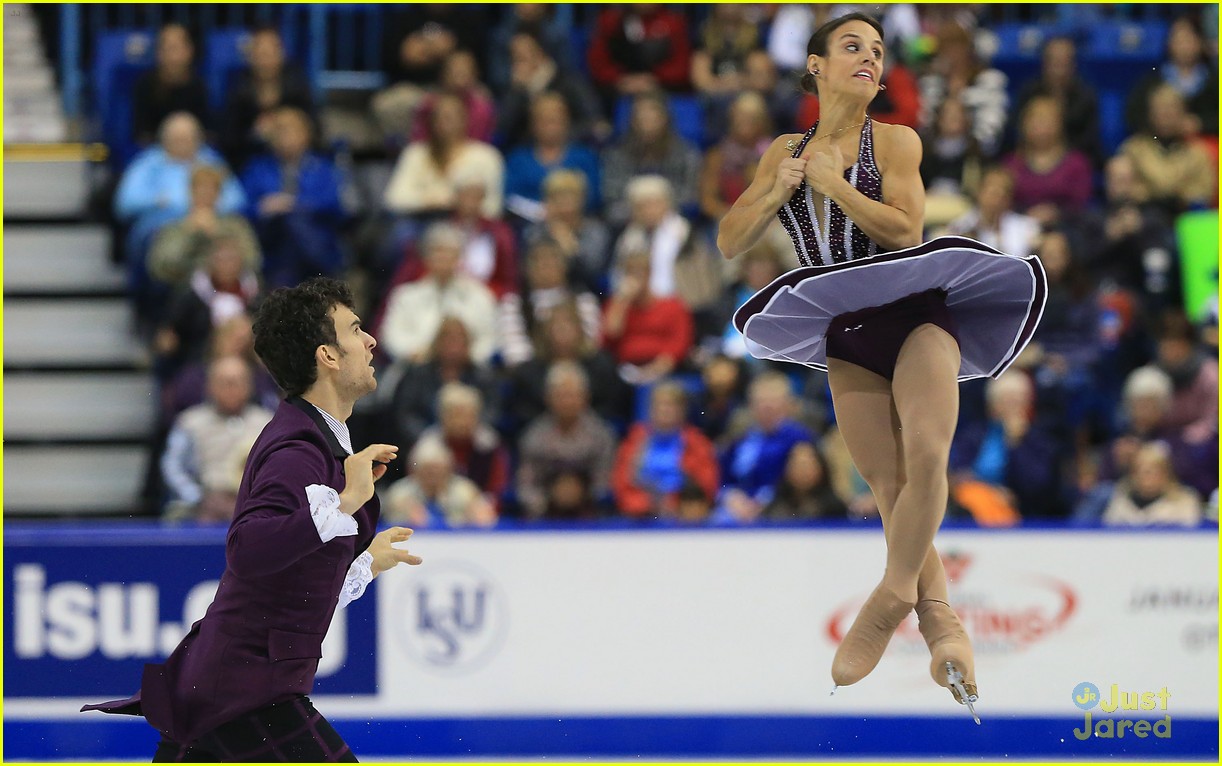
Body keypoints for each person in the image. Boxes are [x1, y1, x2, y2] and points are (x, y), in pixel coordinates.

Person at [717, 13, 1047, 717]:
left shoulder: (895, 139)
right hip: (846, 329)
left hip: (916, 311)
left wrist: (833, 186)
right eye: (851, 47)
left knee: (927, 455)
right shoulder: (783, 148)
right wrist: (780, 186)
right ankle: (942, 626)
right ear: (814, 66)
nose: (869, 58)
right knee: (887, 484)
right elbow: (729, 239)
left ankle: (894, 596)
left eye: (877, 50)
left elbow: (905, 229)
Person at [83, 277, 423, 761]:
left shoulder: (317, 439)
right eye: (355, 329)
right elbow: (249, 549)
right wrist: (346, 502)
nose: (371, 340)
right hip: (244, 696)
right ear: (327, 355)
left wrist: (364, 562)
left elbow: (291, 576)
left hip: (236, 690)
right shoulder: (296, 449)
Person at [160, 356, 274, 522]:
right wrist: (197, 497)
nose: (231, 389)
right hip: (204, 505)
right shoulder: (190, 422)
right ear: (210, 386)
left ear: (250, 386)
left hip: (257, 503)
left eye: (237, 381)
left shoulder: (267, 422)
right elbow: (172, 466)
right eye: (224, 382)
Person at [131, 24, 209, 146]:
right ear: (158, 53)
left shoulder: (199, 86)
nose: (171, 55)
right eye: (166, 48)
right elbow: (141, 133)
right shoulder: (145, 86)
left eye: (176, 48)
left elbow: (207, 131)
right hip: (156, 152)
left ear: (189, 51)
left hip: (193, 151)